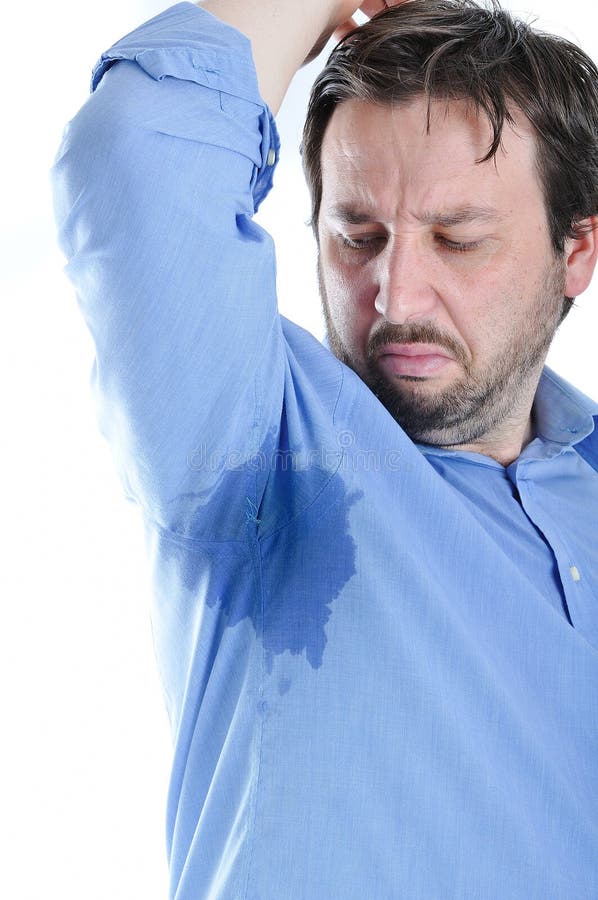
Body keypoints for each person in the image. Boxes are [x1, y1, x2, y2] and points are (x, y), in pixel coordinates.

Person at [52, 0, 598, 896]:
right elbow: (134, 155)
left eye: (457, 240)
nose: (396, 296)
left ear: (575, 252)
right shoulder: (261, 442)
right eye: (358, 237)